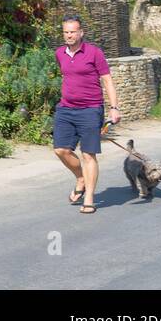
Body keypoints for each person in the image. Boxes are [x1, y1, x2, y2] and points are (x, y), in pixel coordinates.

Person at [53, 15, 120, 215]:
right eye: (66, 32)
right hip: (66, 109)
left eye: (73, 31)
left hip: (90, 109)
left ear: (81, 33)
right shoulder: (60, 53)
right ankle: (81, 178)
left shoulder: (94, 53)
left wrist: (114, 107)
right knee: (60, 150)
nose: (69, 35)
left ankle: (89, 197)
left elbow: (107, 80)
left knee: (88, 154)